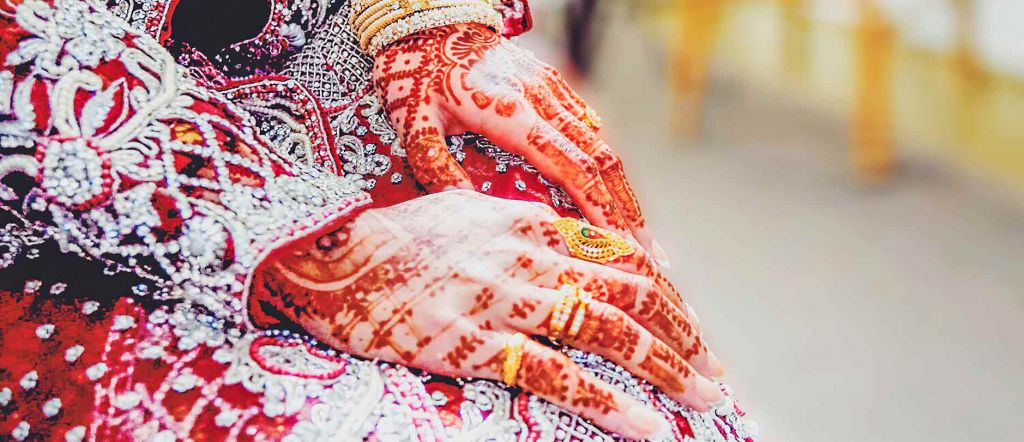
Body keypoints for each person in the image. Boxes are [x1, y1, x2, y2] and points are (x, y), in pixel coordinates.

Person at [0, 0, 757, 440]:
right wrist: (319, 247)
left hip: (331, 45)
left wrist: (422, 18)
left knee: (595, 301)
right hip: (57, 174)